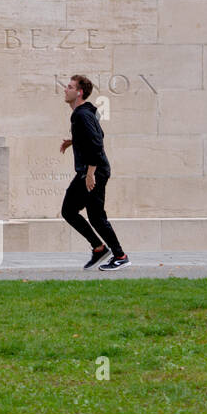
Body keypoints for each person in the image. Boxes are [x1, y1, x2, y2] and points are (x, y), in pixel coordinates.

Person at [60, 74, 129, 270]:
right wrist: (74, 141)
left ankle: (119, 255)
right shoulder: (84, 113)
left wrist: (90, 173)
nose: (66, 89)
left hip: (93, 171)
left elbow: (97, 143)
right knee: (74, 211)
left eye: (70, 87)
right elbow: (98, 134)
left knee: (91, 215)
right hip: (91, 170)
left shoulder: (81, 114)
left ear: (79, 92)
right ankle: (100, 249)